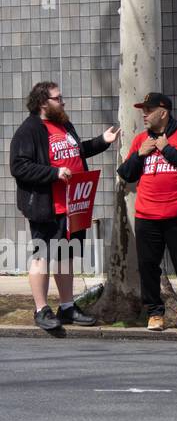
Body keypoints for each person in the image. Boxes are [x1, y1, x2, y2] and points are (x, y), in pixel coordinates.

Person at [9, 81, 119, 330]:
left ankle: (67, 307)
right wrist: (54, 173)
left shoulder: (64, 126)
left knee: (65, 257)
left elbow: (76, 152)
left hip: (72, 206)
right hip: (47, 207)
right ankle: (41, 310)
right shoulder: (29, 130)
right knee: (42, 257)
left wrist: (103, 141)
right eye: (58, 98)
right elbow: (19, 166)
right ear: (42, 103)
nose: (63, 101)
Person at [117, 93, 177, 332]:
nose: (144, 114)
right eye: (143, 110)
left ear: (163, 112)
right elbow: (126, 173)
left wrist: (167, 150)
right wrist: (139, 154)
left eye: (149, 109)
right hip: (147, 216)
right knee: (148, 266)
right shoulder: (140, 140)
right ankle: (155, 313)